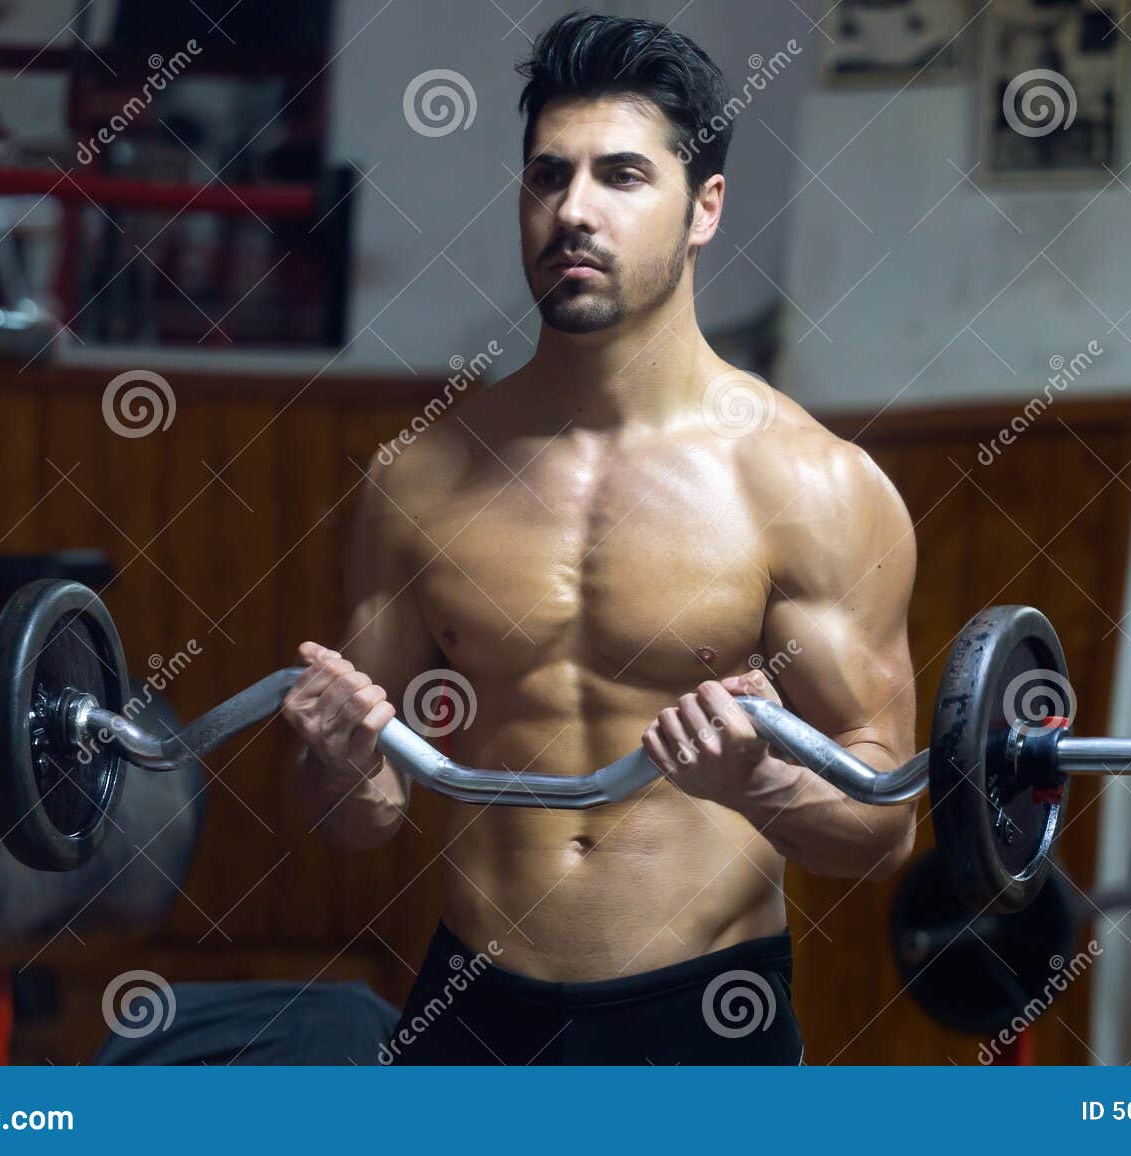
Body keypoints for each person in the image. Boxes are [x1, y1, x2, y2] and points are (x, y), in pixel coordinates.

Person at [282, 11, 917, 1065]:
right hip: (470, 1008)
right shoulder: (419, 477)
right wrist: (338, 762)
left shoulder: (812, 485)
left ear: (703, 206)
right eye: (547, 176)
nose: (572, 210)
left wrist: (756, 780)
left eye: (622, 176)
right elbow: (359, 816)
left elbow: (883, 827)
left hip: (701, 1015)